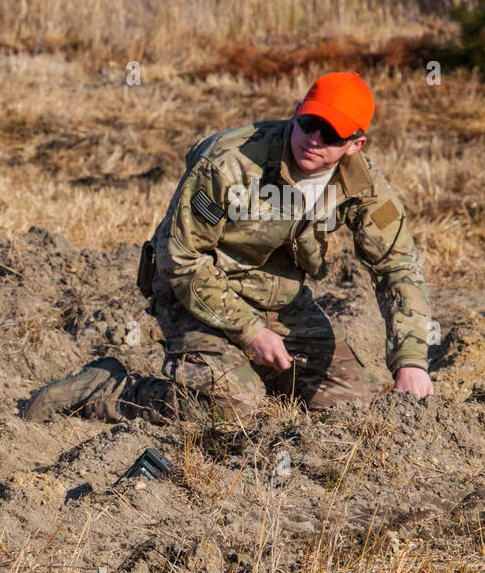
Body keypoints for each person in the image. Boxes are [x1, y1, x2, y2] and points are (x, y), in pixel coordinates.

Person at [23, 72, 433, 425]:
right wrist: (250, 331)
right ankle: (110, 390)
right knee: (233, 411)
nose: (313, 139)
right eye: (308, 123)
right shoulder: (230, 163)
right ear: (296, 111)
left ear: (356, 145)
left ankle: (247, 377)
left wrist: (411, 360)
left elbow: (398, 268)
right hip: (193, 290)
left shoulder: (363, 187)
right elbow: (179, 259)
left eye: (332, 135)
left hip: (278, 298)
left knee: (347, 410)